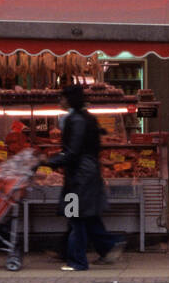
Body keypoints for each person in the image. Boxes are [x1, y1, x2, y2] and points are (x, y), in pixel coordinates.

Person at [46, 85, 124, 270]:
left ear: (69, 99)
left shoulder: (76, 120)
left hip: (78, 178)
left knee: (76, 218)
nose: (60, 101)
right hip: (86, 175)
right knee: (87, 217)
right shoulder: (84, 117)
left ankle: (77, 261)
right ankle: (109, 246)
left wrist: (49, 161)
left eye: (62, 98)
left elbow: (72, 152)